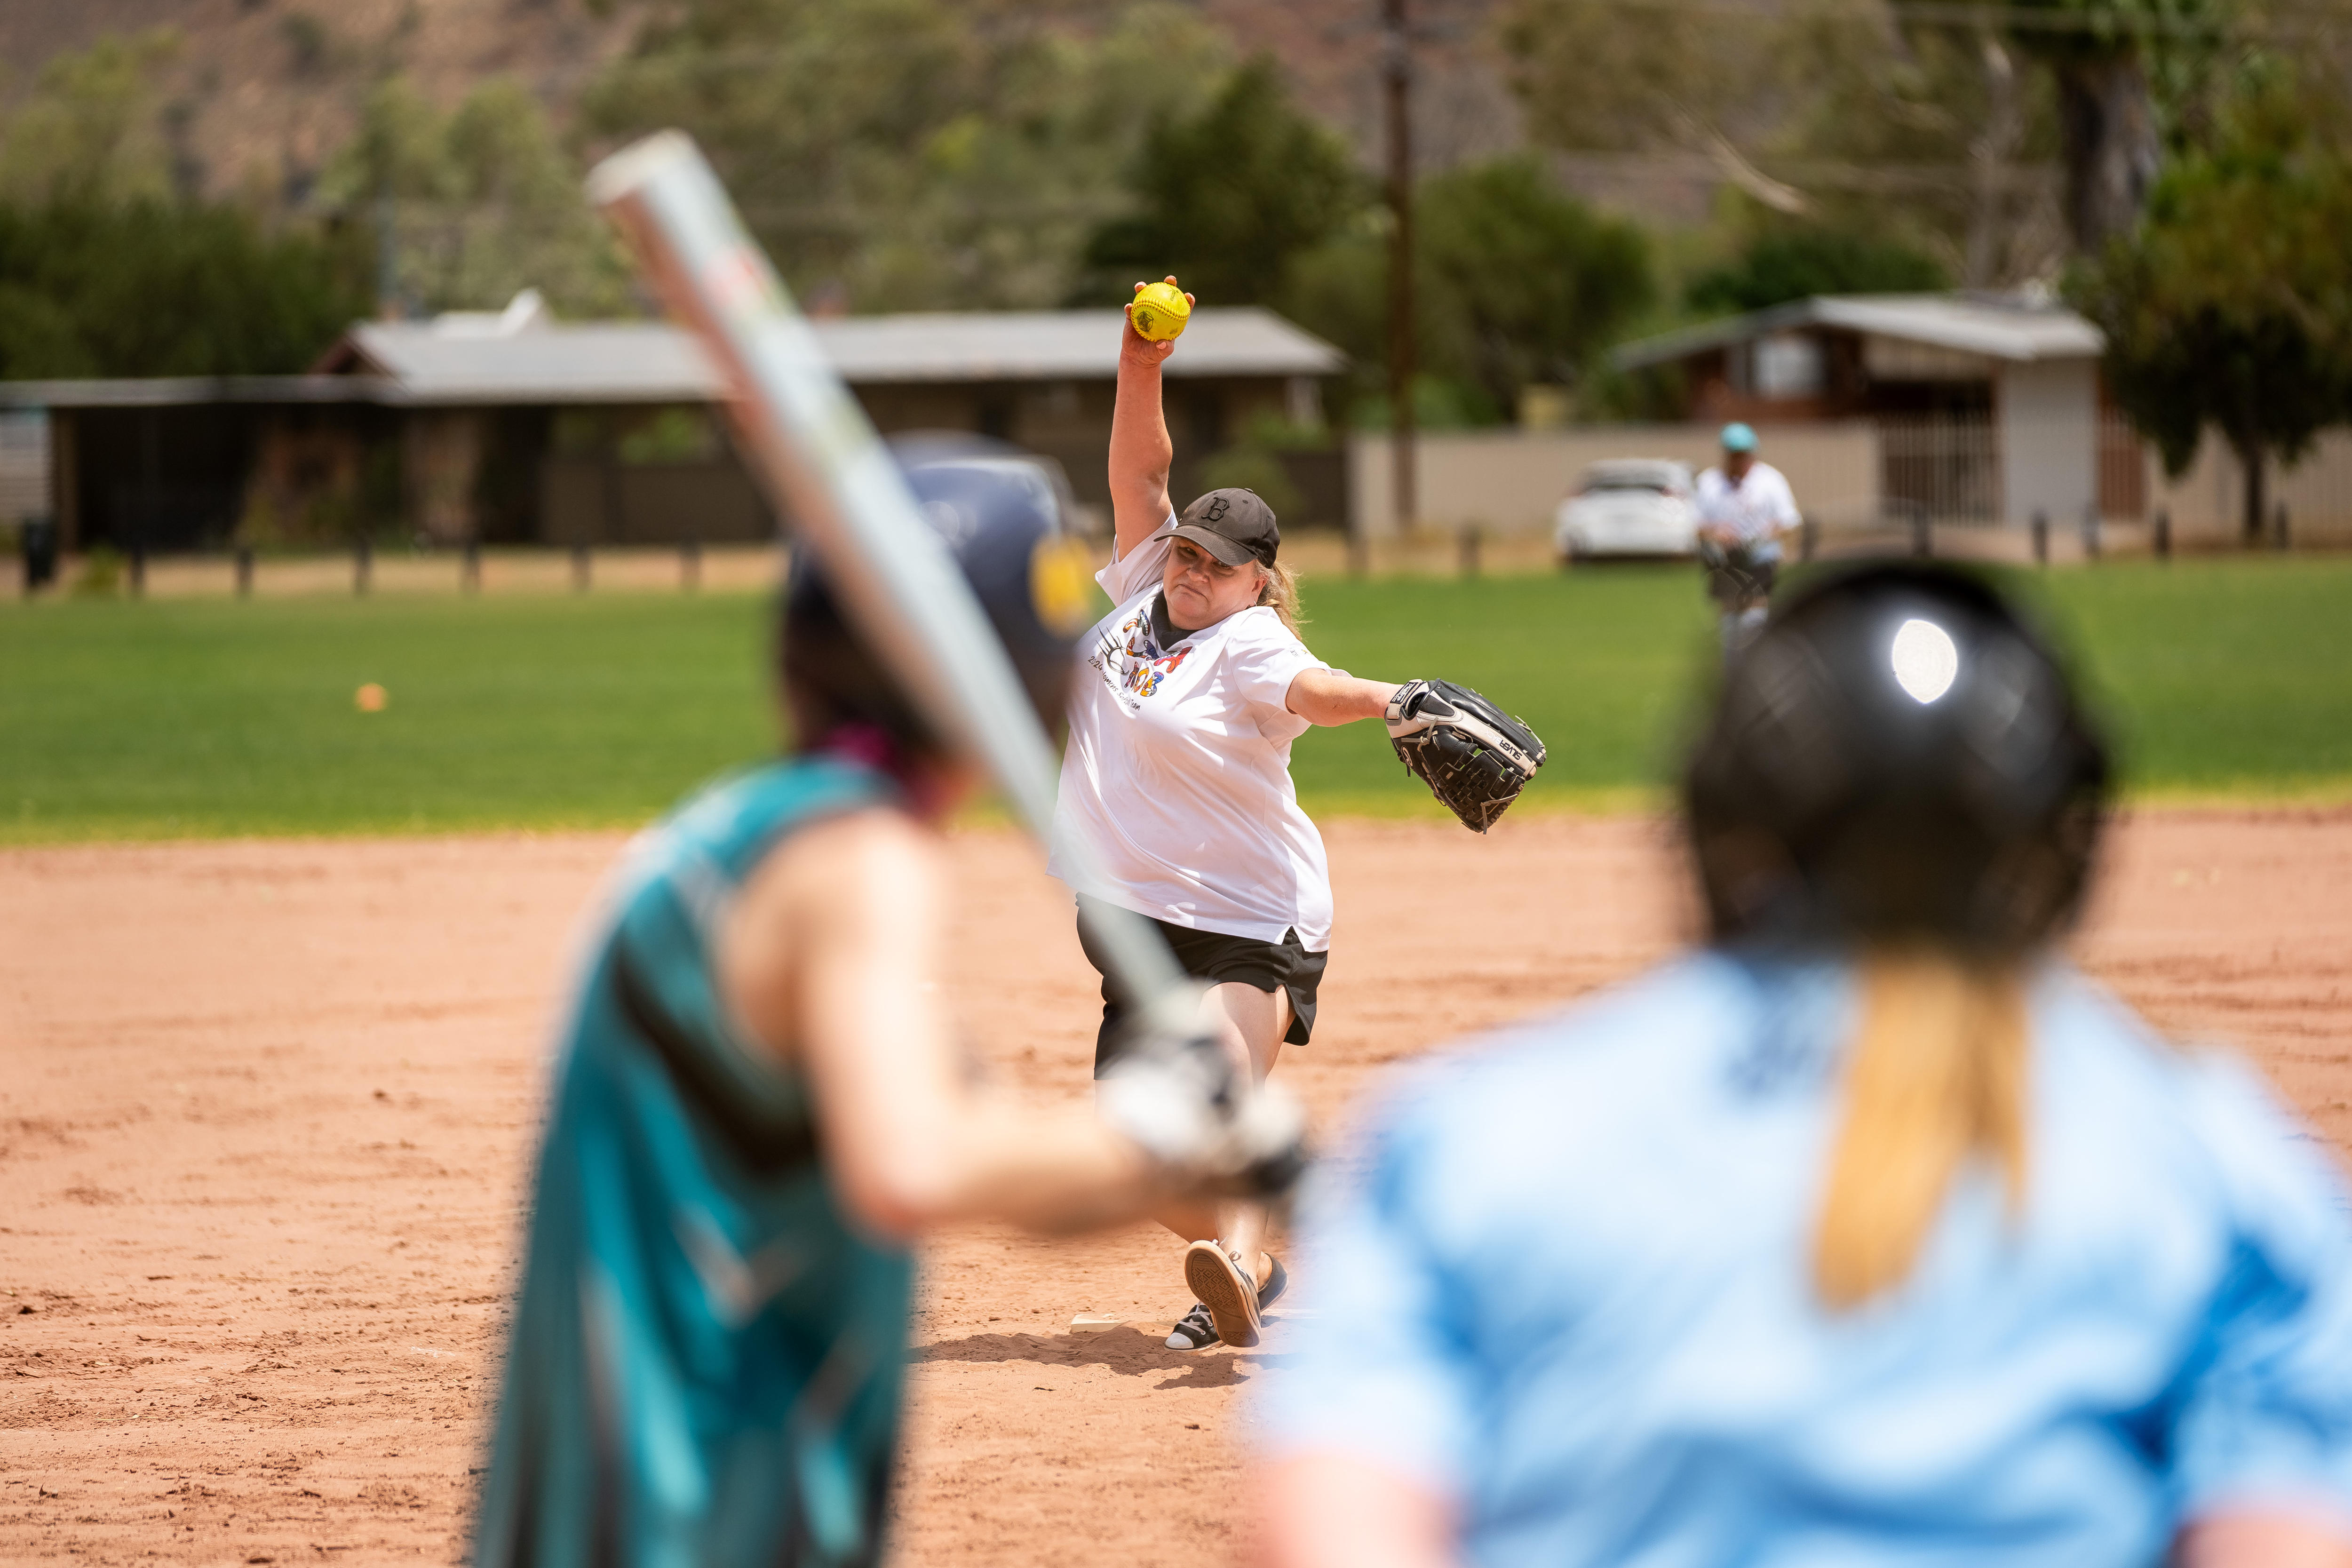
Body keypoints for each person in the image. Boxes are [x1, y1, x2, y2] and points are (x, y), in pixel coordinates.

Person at [1256, 562, 2352, 1568]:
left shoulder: (1471, 1140)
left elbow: (1331, 1526)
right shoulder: (2212, 1167)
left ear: (1717, 819)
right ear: (2061, 839)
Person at [470, 446, 1300, 1568]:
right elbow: (914, 1162)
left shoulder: (748, 830)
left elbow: (927, 1111)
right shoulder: (859, 860)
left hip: (603, 1491)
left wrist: (1163, 1132)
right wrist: (1173, 1129)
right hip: (697, 1506)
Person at [1050, 276, 1420, 1354]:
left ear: (1259, 581)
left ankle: (1243, 1263)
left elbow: (1321, 690)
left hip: (1247, 922)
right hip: (1131, 924)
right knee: (1147, 1162)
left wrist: (1393, 701)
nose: (1193, 569)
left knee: (1212, 1100)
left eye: (1218, 563)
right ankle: (1255, 1258)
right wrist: (1138, 363)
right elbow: (1141, 471)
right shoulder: (1134, 594)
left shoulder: (1251, 645)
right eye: (1187, 552)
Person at [1694, 421, 1801, 654]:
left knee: (1754, 616)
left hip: (1761, 558)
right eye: (1734, 455)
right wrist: (1716, 533)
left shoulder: (1771, 481)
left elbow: (1789, 522)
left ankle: (1755, 665)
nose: (1739, 461)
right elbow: (1696, 524)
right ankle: (1731, 671)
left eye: (1743, 455)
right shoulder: (1709, 483)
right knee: (1730, 620)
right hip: (1724, 560)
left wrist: (1762, 537)